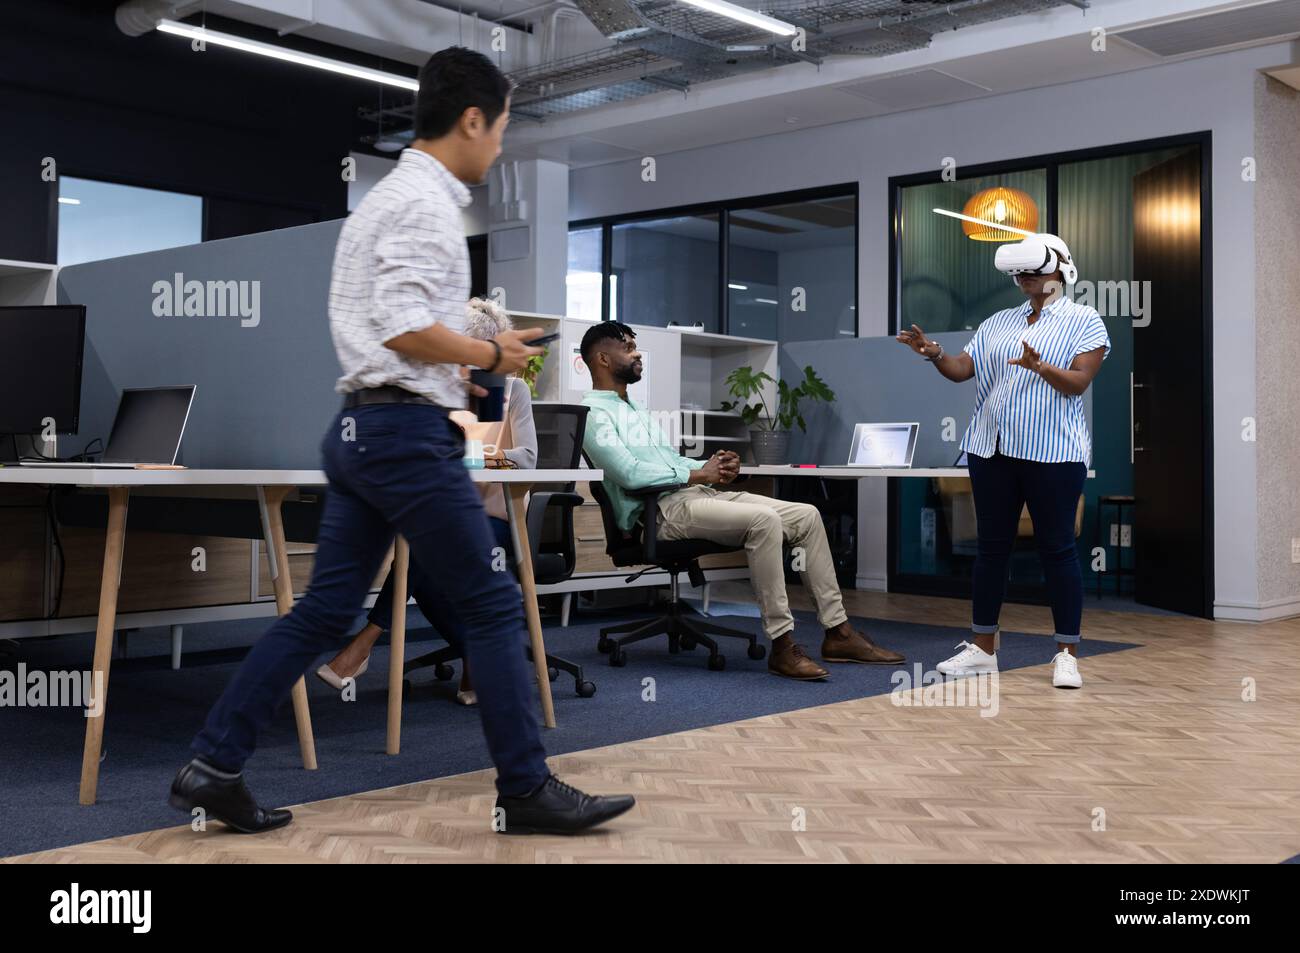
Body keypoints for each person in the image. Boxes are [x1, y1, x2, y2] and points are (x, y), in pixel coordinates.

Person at [169, 47, 633, 836]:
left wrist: (484, 343)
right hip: (404, 434)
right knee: (489, 602)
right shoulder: (424, 205)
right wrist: (489, 354)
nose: (500, 146)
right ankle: (524, 787)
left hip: (359, 428)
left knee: (322, 613)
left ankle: (212, 765)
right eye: (502, 128)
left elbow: (397, 322)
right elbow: (401, 326)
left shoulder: (384, 201)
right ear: (473, 119)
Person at [579, 321, 905, 680]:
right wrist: (696, 474)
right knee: (763, 521)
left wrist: (711, 468)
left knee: (807, 515)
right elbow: (630, 475)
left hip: (692, 496)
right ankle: (782, 645)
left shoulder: (635, 408)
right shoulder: (595, 414)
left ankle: (838, 633)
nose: (637, 352)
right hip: (659, 513)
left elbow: (670, 463)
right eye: (628, 347)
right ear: (603, 359)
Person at [896, 232, 1109, 689]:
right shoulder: (997, 322)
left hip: (1052, 450)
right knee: (991, 549)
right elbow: (961, 371)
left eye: (1032, 272)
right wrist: (933, 353)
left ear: (1060, 269)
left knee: (1057, 550)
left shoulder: (1084, 320)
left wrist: (1041, 368)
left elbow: (1078, 383)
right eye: (1019, 273)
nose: (1024, 279)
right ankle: (982, 650)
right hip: (990, 449)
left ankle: (1066, 654)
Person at [316, 296, 537, 707]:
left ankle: (363, 644)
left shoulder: (512, 390)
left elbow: (528, 457)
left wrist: (482, 454)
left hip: (496, 515)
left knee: (423, 548)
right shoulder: (437, 390)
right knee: (427, 556)